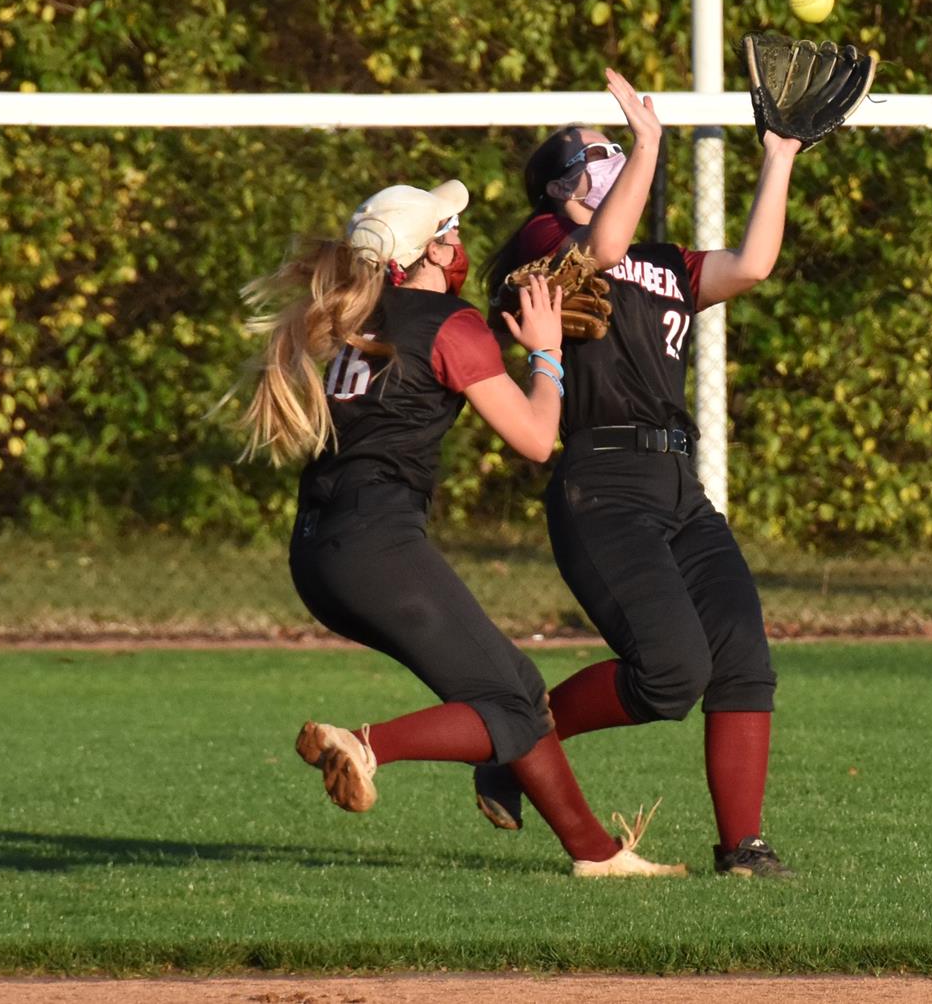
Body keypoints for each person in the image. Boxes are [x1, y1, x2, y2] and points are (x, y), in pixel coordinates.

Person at [229, 172, 683, 878]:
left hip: (319, 554)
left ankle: (597, 854)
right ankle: (365, 745)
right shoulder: (449, 323)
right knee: (515, 700)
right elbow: (536, 438)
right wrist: (546, 352)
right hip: (377, 548)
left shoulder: (356, 317)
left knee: (509, 692)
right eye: (451, 232)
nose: (461, 241)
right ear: (431, 253)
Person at [477, 69, 803, 878]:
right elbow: (603, 249)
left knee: (741, 656)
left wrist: (781, 155)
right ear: (560, 187)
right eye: (599, 152)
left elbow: (752, 265)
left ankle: (743, 848)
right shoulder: (543, 241)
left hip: (679, 485)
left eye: (620, 147)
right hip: (603, 484)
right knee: (670, 673)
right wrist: (651, 143)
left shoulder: (661, 260)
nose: (618, 154)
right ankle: (518, 742)